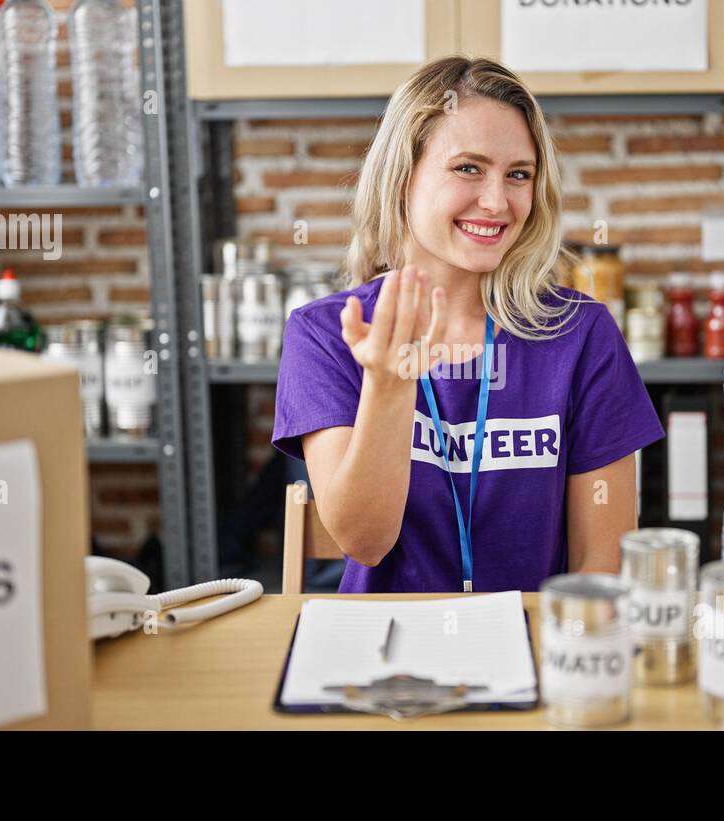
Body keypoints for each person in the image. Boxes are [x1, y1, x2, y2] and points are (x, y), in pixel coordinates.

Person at [272, 56, 664, 593]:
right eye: (468, 168)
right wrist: (389, 381)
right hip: (386, 656)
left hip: (535, 648)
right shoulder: (325, 334)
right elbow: (364, 541)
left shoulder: (582, 335)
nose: (497, 202)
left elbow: (603, 559)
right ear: (402, 177)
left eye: (518, 175)